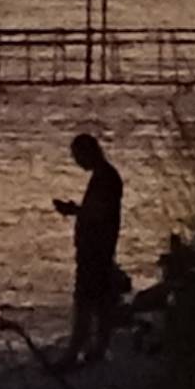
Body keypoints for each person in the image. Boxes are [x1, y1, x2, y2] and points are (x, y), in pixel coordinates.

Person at [57, 134, 134, 355]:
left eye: (77, 156)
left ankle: (79, 349)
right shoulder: (103, 176)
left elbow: (99, 213)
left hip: (97, 250)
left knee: (87, 299)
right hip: (96, 248)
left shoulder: (106, 178)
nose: (76, 161)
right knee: (99, 298)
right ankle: (96, 347)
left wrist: (74, 211)